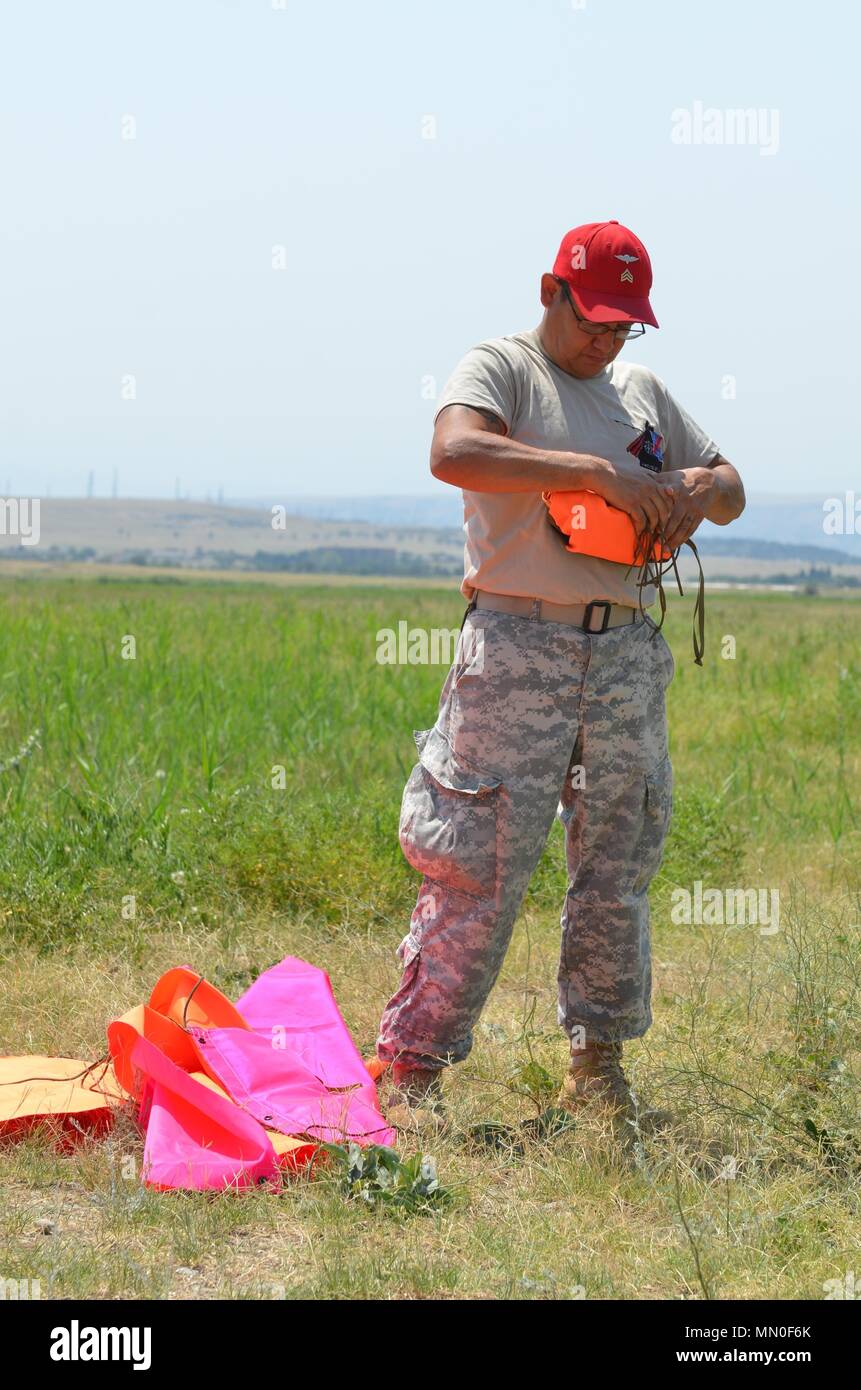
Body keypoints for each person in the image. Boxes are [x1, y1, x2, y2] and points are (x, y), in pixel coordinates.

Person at [375, 220, 745, 1136]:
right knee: (477, 863)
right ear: (552, 290)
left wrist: (692, 493)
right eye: (595, 319)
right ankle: (411, 1071)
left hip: (621, 651)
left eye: (626, 326)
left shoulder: (640, 391)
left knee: (616, 868)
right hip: (517, 650)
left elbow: (732, 485)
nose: (607, 339)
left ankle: (598, 1071)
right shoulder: (501, 370)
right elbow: (452, 452)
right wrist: (589, 473)